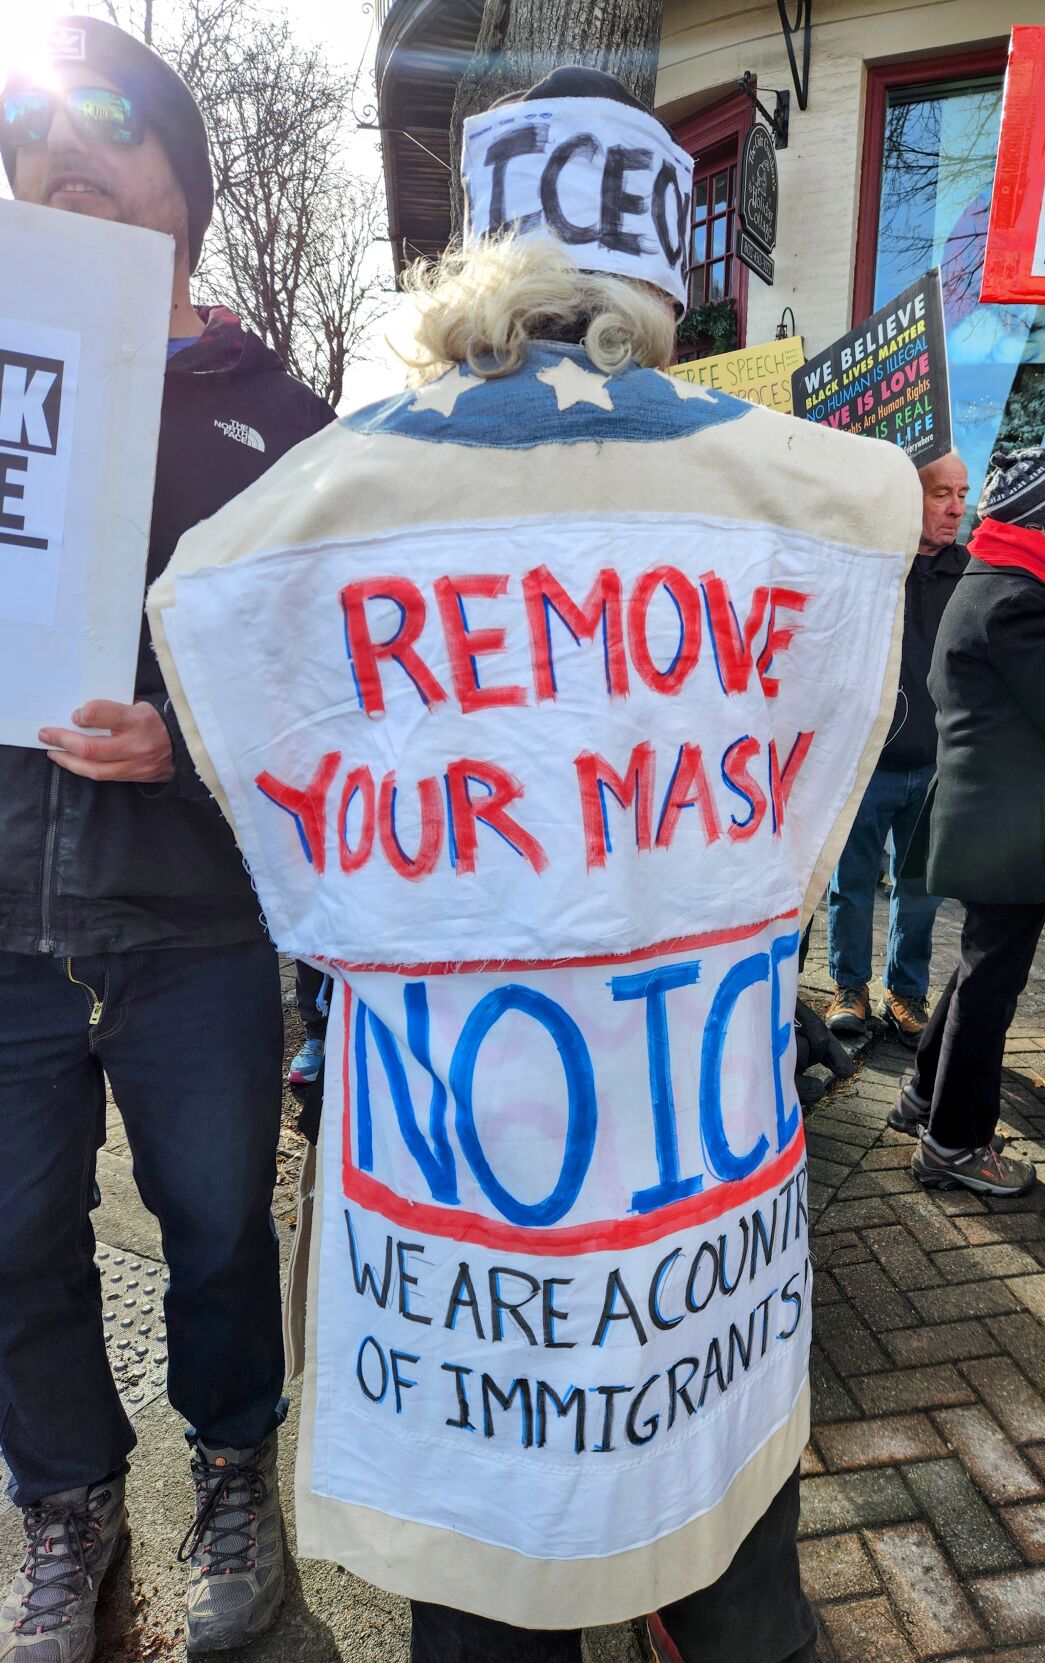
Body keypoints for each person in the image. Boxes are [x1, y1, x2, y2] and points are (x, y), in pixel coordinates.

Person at [146, 65, 920, 1663]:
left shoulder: (326, 500)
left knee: (487, 1595)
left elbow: (214, 614)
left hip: (450, 1190)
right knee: (733, 1562)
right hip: (696, 1167)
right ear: (656, 283)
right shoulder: (783, 492)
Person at [0, 17, 334, 1660]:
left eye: (114, 130)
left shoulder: (289, 419)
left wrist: (189, 746)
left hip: (198, 917)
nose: (73, 151)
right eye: (40, 140)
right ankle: (65, 1505)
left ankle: (230, 1474)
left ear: (184, 188)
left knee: (213, 1224)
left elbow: (340, 704)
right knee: (8, 1233)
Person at [899, 448, 1045, 1196]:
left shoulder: (996, 575)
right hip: (1008, 822)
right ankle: (954, 1143)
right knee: (990, 986)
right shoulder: (1020, 594)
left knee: (978, 967)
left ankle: (923, 1096)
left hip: (991, 813)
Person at [825, 451, 969, 1047]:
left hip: (937, 767)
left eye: (963, 494)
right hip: (866, 763)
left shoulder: (972, 573)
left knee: (921, 894)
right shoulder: (870, 565)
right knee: (850, 883)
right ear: (909, 497)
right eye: (941, 494)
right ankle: (848, 987)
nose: (957, 508)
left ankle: (906, 993)